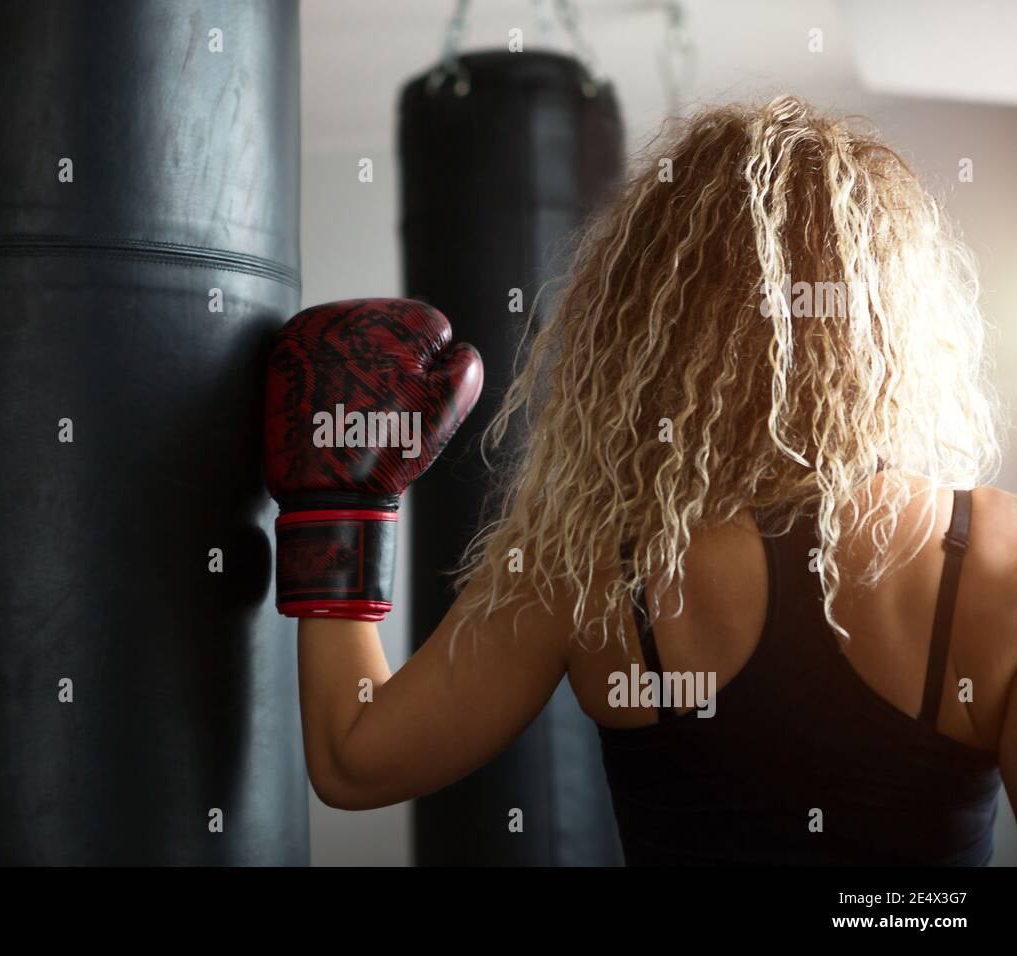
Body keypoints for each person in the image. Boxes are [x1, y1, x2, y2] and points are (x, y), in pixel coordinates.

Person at [264, 95, 1016, 864]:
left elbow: (355, 760)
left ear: (650, 310)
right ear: (893, 317)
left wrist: (342, 502)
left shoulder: (591, 555)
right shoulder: (996, 556)